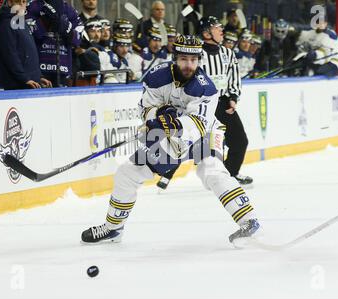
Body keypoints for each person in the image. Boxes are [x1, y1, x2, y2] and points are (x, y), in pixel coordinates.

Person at [80, 34, 259, 245]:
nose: (189, 64)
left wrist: (171, 124)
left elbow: (198, 125)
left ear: (199, 60)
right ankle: (113, 228)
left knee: (212, 170)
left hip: (206, 133)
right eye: (184, 59)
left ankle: (249, 221)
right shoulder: (157, 77)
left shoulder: (206, 88)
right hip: (171, 135)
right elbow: (145, 108)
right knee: (127, 173)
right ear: (175, 58)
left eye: (193, 60)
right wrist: (157, 116)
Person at [156, 16, 253, 190]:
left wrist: (233, 97)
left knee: (240, 141)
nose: (221, 30)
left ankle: (229, 174)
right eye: (217, 27)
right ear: (207, 32)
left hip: (223, 104)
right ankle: (167, 171)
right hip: (200, 103)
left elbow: (233, 77)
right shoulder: (196, 53)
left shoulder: (228, 54)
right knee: (188, 137)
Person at [0, 0, 52, 90]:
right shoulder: (5, 25)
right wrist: (24, 79)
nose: (21, 5)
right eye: (18, 2)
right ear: (9, 2)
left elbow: (30, 53)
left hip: (29, 83)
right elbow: (10, 55)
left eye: (24, 2)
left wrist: (38, 77)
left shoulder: (23, 23)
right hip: (15, 87)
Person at [26, 0, 83, 87]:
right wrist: (44, 21)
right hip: (39, 71)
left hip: (63, 70)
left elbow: (78, 40)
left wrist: (67, 29)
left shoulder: (69, 10)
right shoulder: (31, 6)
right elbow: (26, 34)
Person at [296, 12, 338, 78]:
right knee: (302, 69)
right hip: (318, 61)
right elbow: (301, 42)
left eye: (322, 22)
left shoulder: (330, 35)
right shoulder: (311, 33)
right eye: (318, 22)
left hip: (333, 62)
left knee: (317, 73)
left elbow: (326, 52)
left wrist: (315, 54)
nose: (320, 24)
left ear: (326, 23)